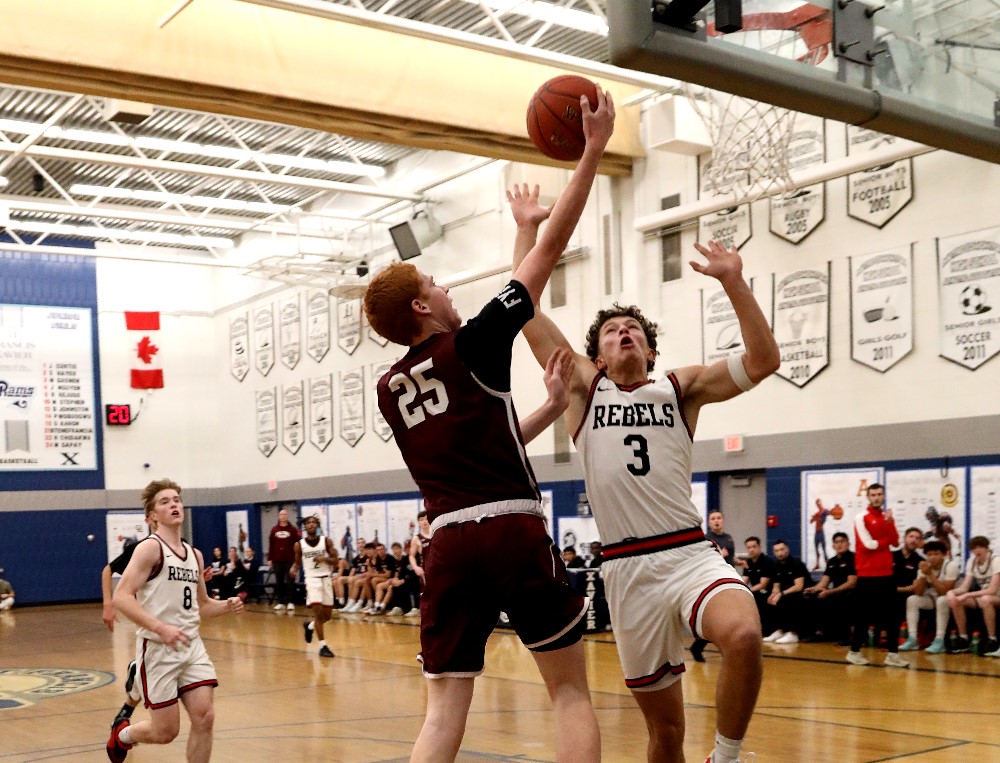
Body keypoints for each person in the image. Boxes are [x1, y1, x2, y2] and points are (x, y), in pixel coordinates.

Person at [363, 85, 614, 763]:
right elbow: (546, 261)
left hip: (448, 540)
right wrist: (591, 149)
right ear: (421, 303)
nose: (447, 287)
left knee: (443, 712)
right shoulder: (472, 343)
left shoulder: (391, 388)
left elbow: (482, 446)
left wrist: (551, 404)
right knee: (569, 692)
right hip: (511, 528)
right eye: (437, 282)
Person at [515, 170, 779, 761]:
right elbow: (524, 307)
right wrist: (528, 231)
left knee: (743, 633)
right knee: (665, 734)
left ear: (651, 349)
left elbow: (764, 361)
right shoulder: (584, 392)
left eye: (633, 328)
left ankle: (728, 758)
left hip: (687, 553)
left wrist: (734, 281)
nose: (623, 332)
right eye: (610, 331)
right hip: (627, 572)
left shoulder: (679, 388)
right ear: (596, 354)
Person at [107, 478, 244, 763]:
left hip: (191, 646)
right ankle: (122, 735)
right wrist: (160, 627)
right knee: (166, 731)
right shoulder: (149, 549)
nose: (174, 505)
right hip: (158, 649)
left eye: (177, 500)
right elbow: (122, 596)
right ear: (153, 516)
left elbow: (203, 606)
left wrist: (228, 605)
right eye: (165, 501)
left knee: (205, 717)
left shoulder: (194, 554)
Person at [846, 483, 908, 668]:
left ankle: (892, 654)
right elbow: (868, 544)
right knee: (863, 616)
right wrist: (886, 540)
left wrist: (890, 524)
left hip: (886, 573)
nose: (876, 497)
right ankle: (854, 652)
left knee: (893, 615)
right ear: (868, 497)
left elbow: (896, 541)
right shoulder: (861, 517)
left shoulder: (886, 517)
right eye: (873, 494)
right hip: (867, 574)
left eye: (879, 494)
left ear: (883, 496)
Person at [691, 510, 741, 661]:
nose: (716, 521)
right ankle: (699, 647)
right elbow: (701, 560)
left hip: (729, 578)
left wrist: (738, 561)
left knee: (731, 616)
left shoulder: (728, 538)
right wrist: (720, 555)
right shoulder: (706, 539)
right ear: (709, 522)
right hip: (713, 581)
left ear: (723, 520)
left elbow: (731, 556)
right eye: (713, 519)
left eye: (719, 518)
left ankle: (720, 647)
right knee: (720, 618)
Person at [899, 539, 960, 653]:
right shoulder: (924, 566)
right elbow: (918, 593)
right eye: (929, 554)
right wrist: (922, 575)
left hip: (953, 598)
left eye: (936, 554)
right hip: (932, 598)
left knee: (942, 600)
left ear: (944, 555)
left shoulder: (951, 565)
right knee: (912, 599)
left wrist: (930, 575)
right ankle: (913, 639)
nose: (932, 557)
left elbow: (945, 591)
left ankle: (939, 640)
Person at [945, 535, 1000, 655]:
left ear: (987, 548)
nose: (977, 550)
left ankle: (992, 639)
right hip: (985, 595)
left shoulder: (996, 560)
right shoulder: (972, 561)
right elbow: (964, 587)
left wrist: (968, 594)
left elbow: (992, 590)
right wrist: (951, 593)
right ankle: (963, 638)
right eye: (974, 548)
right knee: (956, 600)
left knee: (985, 599)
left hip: (996, 595)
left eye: (980, 547)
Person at [291, 515, 336, 658]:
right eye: (308, 523)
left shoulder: (326, 541)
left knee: (327, 617)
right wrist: (293, 568)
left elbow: (336, 559)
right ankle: (323, 646)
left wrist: (325, 559)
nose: (311, 524)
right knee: (318, 614)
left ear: (317, 525)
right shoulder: (299, 545)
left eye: (313, 522)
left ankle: (309, 626)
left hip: (326, 579)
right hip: (311, 580)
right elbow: (297, 562)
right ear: (304, 527)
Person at [802, 532, 856, 644]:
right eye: (836, 542)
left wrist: (830, 592)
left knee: (846, 598)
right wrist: (812, 589)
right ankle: (820, 633)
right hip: (835, 592)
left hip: (851, 592)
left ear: (848, 543)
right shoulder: (832, 561)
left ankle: (848, 636)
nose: (839, 544)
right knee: (812, 597)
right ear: (833, 546)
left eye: (842, 541)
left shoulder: (853, 558)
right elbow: (824, 582)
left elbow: (851, 583)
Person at [764, 540, 810, 644]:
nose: (779, 553)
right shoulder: (776, 566)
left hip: (802, 593)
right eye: (776, 551)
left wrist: (781, 594)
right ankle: (780, 630)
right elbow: (776, 585)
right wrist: (773, 595)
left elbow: (799, 586)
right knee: (769, 600)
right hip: (785, 593)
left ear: (787, 549)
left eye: (782, 549)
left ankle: (793, 633)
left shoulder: (796, 564)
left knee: (790, 599)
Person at [267, 508, 300, 612]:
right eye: (281, 514)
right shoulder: (274, 530)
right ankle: (281, 602)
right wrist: (270, 558)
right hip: (277, 559)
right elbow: (271, 545)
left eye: (285, 514)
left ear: (287, 516)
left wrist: (296, 560)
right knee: (279, 581)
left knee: (290, 581)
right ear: (279, 516)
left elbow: (298, 544)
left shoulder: (293, 530)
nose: (283, 516)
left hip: (290, 559)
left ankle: (290, 602)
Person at [892, 527, 925, 633]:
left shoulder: (920, 561)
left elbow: (915, 587)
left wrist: (897, 589)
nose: (913, 540)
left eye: (917, 538)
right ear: (904, 538)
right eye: (911, 537)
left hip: (905, 595)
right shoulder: (890, 556)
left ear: (920, 542)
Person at [741, 537, 775, 635]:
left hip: (769, 592)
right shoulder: (748, 563)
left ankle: (766, 631)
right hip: (755, 592)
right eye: (748, 547)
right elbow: (744, 580)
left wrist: (749, 591)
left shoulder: (766, 562)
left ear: (759, 547)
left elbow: (763, 584)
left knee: (759, 599)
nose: (751, 549)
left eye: (754, 547)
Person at [809, 499, 832, 571]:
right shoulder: (817, 513)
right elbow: (811, 521)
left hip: (821, 531)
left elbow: (830, 513)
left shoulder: (824, 511)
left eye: (819, 503)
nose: (818, 504)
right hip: (817, 532)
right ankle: (817, 564)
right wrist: (813, 518)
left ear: (821, 503)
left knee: (823, 548)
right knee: (816, 549)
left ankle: (827, 563)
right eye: (817, 503)